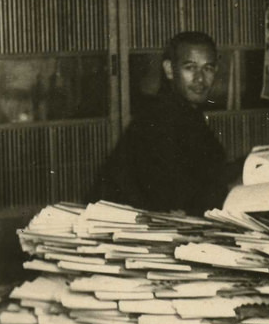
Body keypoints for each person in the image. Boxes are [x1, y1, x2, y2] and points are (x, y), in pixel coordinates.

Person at [91, 32, 232, 216]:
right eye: (190, 68)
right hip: (128, 230)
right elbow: (179, 197)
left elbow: (209, 170)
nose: (200, 79)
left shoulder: (187, 112)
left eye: (208, 68)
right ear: (169, 70)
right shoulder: (158, 119)